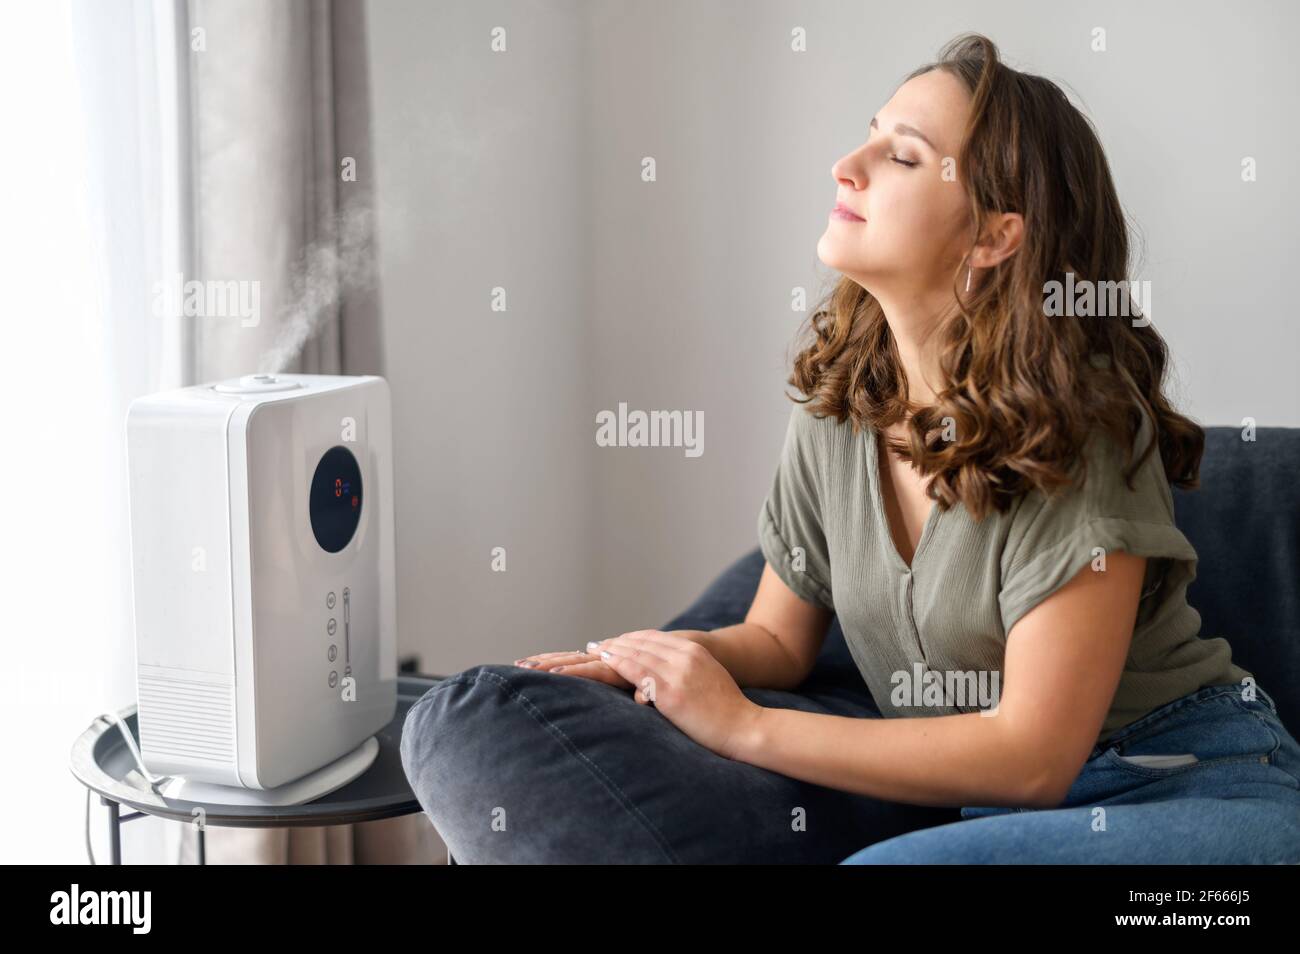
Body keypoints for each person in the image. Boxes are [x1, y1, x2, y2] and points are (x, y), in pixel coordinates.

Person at [400, 33, 1300, 864]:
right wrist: (654, 659)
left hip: (1189, 787)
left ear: (994, 236)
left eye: (901, 156)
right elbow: (776, 641)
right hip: (1013, 822)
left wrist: (741, 727)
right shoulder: (840, 411)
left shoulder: (1079, 436)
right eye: (870, 137)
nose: (847, 166)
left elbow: (1032, 758)